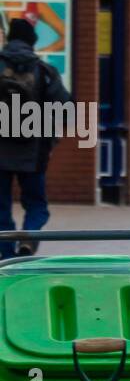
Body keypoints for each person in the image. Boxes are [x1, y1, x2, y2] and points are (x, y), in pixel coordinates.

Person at [0, 18, 71, 259]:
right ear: (32, 41)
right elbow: (65, 107)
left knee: (1, 207)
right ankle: (29, 238)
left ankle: (7, 255)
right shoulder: (44, 70)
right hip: (34, 150)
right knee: (37, 205)